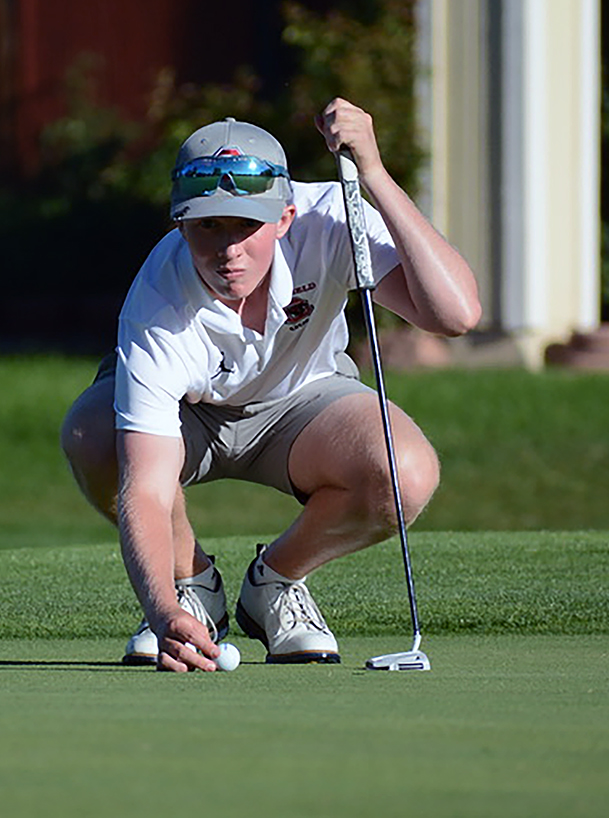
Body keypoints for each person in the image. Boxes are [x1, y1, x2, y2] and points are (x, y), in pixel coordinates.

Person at [59, 98, 480, 672]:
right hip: (193, 417)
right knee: (93, 434)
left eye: (246, 225)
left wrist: (374, 174)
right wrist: (160, 611)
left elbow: (454, 314)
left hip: (303, 405)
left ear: (283, 218)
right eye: (208, 225)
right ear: (180, 222)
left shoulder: (332, 218)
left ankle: (276, 583)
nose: (228, 249)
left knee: (404, 472)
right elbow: (147, 490)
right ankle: (192, 588)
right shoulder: (157, 304)